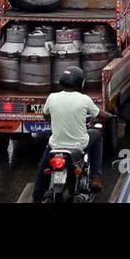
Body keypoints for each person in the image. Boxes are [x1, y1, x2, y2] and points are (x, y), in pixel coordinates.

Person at [31, 66, 112, 201]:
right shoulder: (84, 99)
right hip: (78, 145)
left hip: (55, 146)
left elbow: (46, 115)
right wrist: (111, 116)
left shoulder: (52, 97)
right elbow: (101, 115)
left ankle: (37, 196)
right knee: (97, 136)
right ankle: (96, 177)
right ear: (80, 83)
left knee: (43, 169)